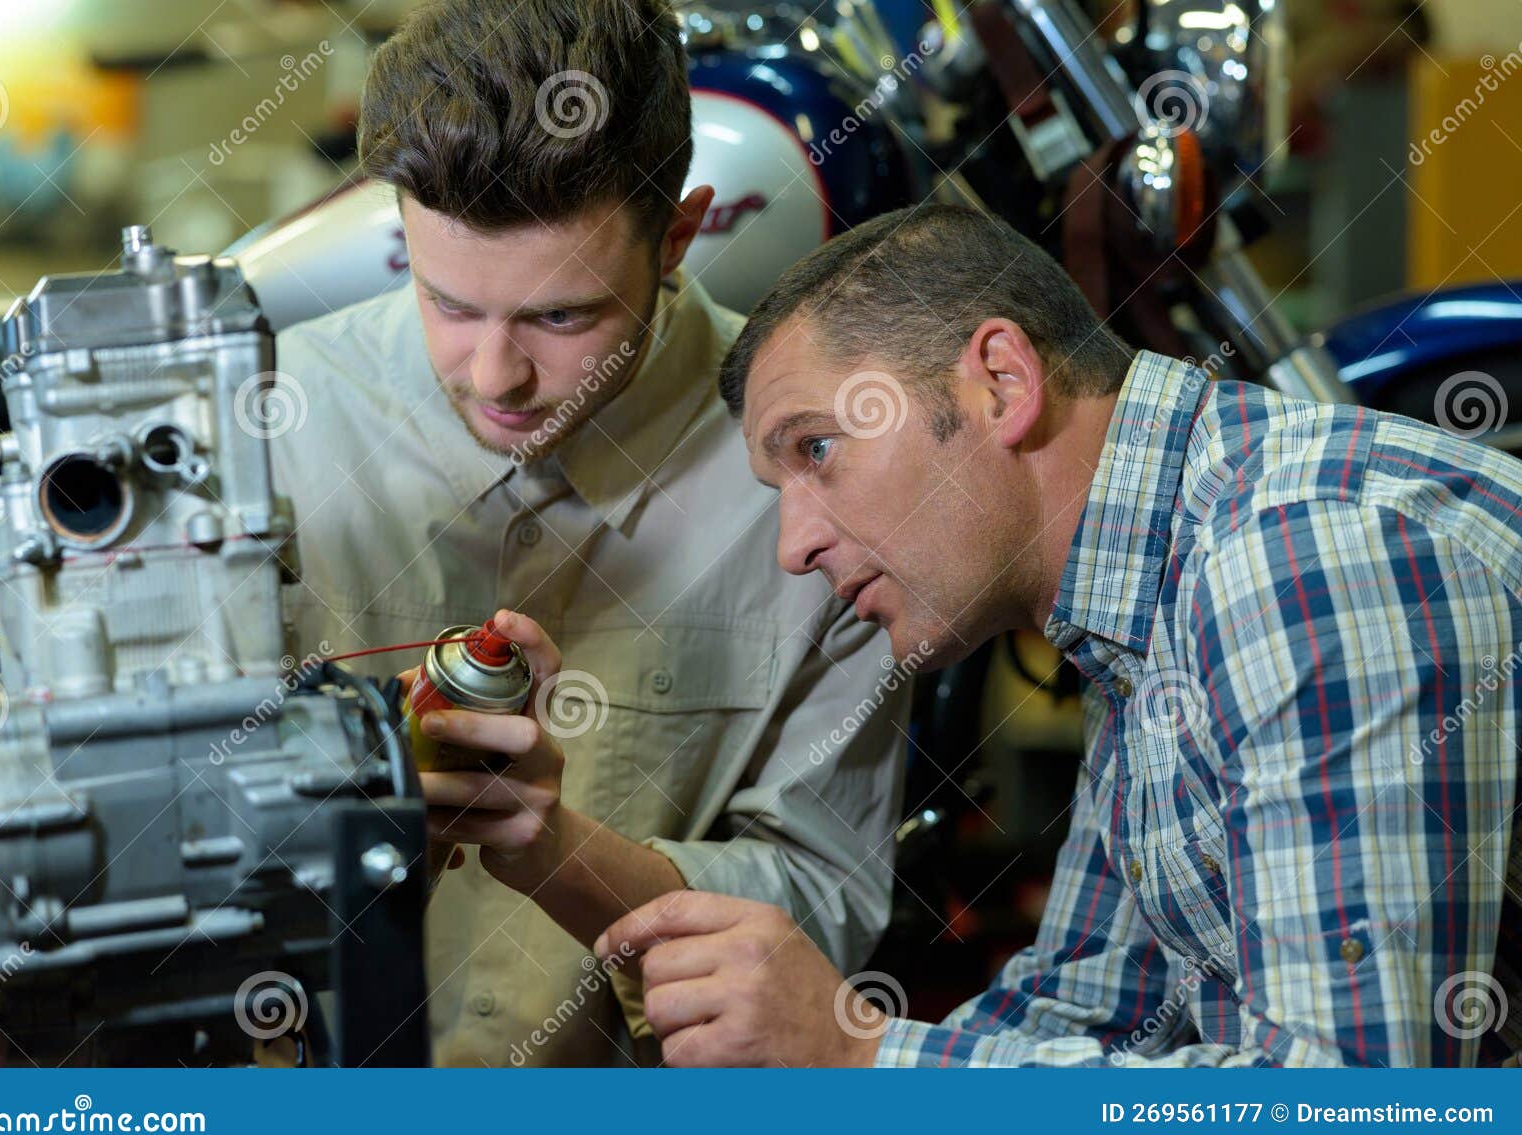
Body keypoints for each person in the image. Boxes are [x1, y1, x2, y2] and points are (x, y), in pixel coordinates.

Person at [596, 203, 1522, 1067]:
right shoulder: (1135, 602)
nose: (794, 547)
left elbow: (1350, 1115)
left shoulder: (1301, 555)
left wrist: (861, 1056)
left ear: (1002, 382)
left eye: (818, 450)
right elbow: (1087, 1010)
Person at [270, 0, 908, 1066]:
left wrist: (559, 853)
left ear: (679, 234)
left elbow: (819, 916)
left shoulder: (824, 482)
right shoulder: (271, 428)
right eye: (447, 303)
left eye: (561, 317)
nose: (494, 377)